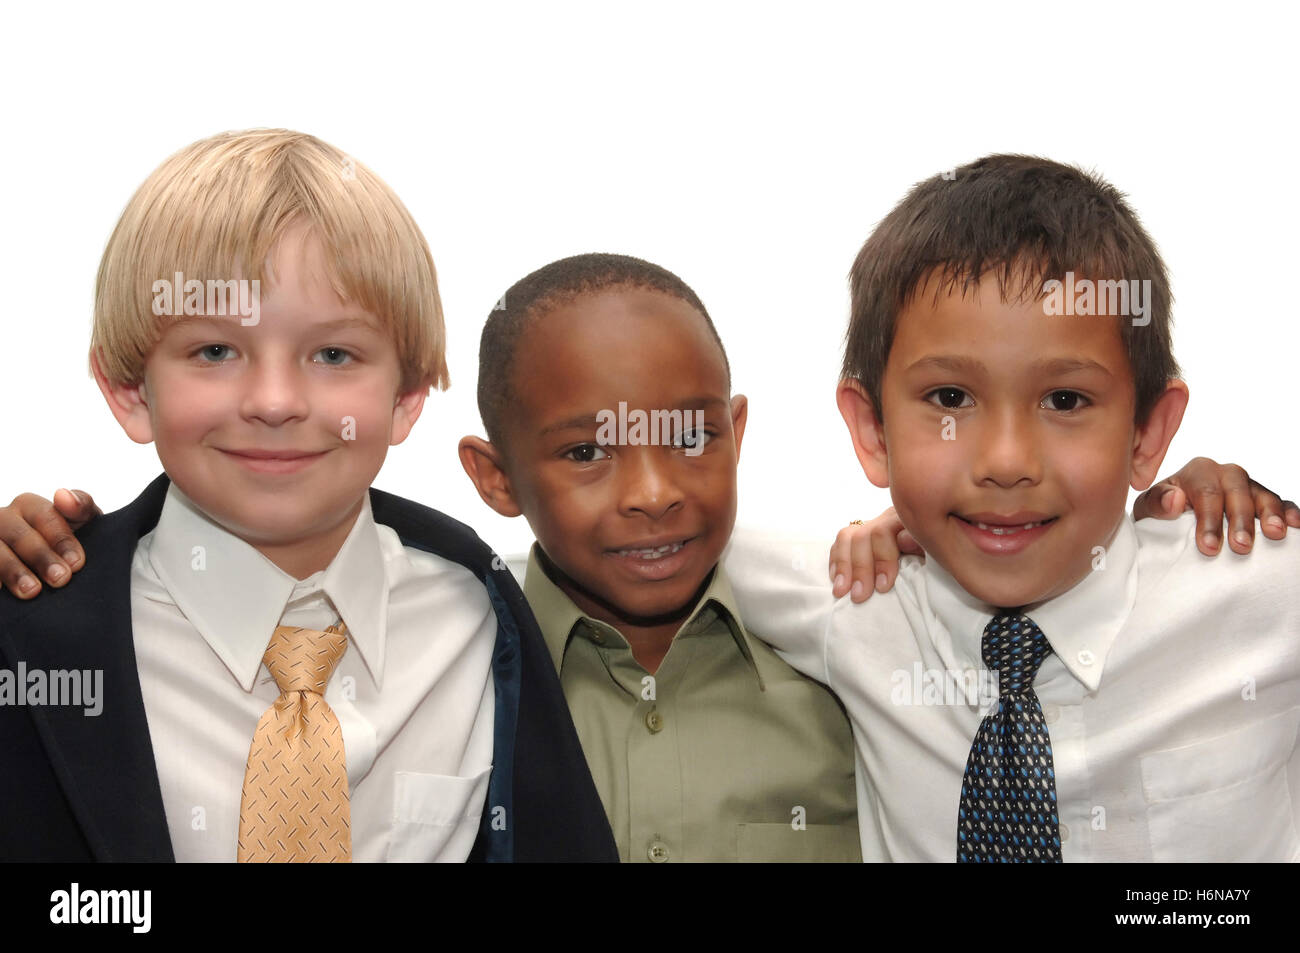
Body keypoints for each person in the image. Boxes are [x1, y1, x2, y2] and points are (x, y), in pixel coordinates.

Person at [8, 245, 1291, 862]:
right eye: (582, 455)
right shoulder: (460, 644)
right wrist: (77, 541)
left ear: (740, 435)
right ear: (491, 476)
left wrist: (1173, 495)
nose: (649, 495)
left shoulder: (846, 608)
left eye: (690, 439)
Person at [0, 128, 615, 862]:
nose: (275, 400)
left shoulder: (478, 614)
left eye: (333, 354)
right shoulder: (32, 636)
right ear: (131, 391)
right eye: (215, 350)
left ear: (407, 396)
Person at [725, 154, 1300, 861]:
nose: (1004, 462)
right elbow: (641, 531)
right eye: (949, 399)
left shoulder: (1263, 589)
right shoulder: (855, 601)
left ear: (1147, 432)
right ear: (872, 431)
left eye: (1065, 401)